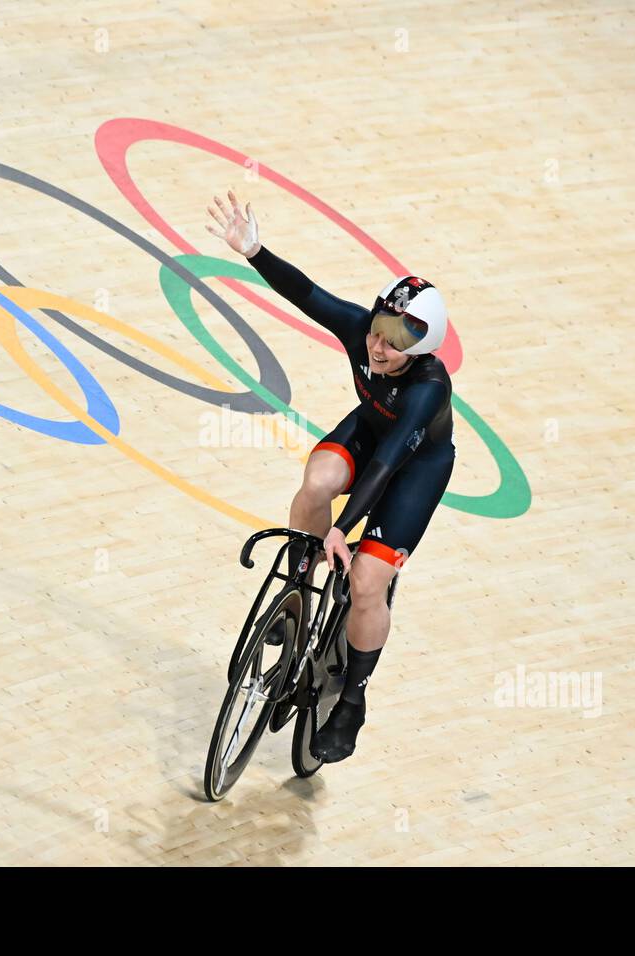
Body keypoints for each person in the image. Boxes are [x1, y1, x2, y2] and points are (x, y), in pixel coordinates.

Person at [206, 189, 457, 763]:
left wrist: (345, 529)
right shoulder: (363, 330)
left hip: (413, 464)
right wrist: (254, 251)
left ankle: (354, 702)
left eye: (393, 344)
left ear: (420, 350)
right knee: (314, 484)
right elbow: (305, 294)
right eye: (376, 331)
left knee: (368, 582)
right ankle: (297, 591)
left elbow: (388, 465)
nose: (376, 347)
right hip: (373, 428)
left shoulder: (427, 391)